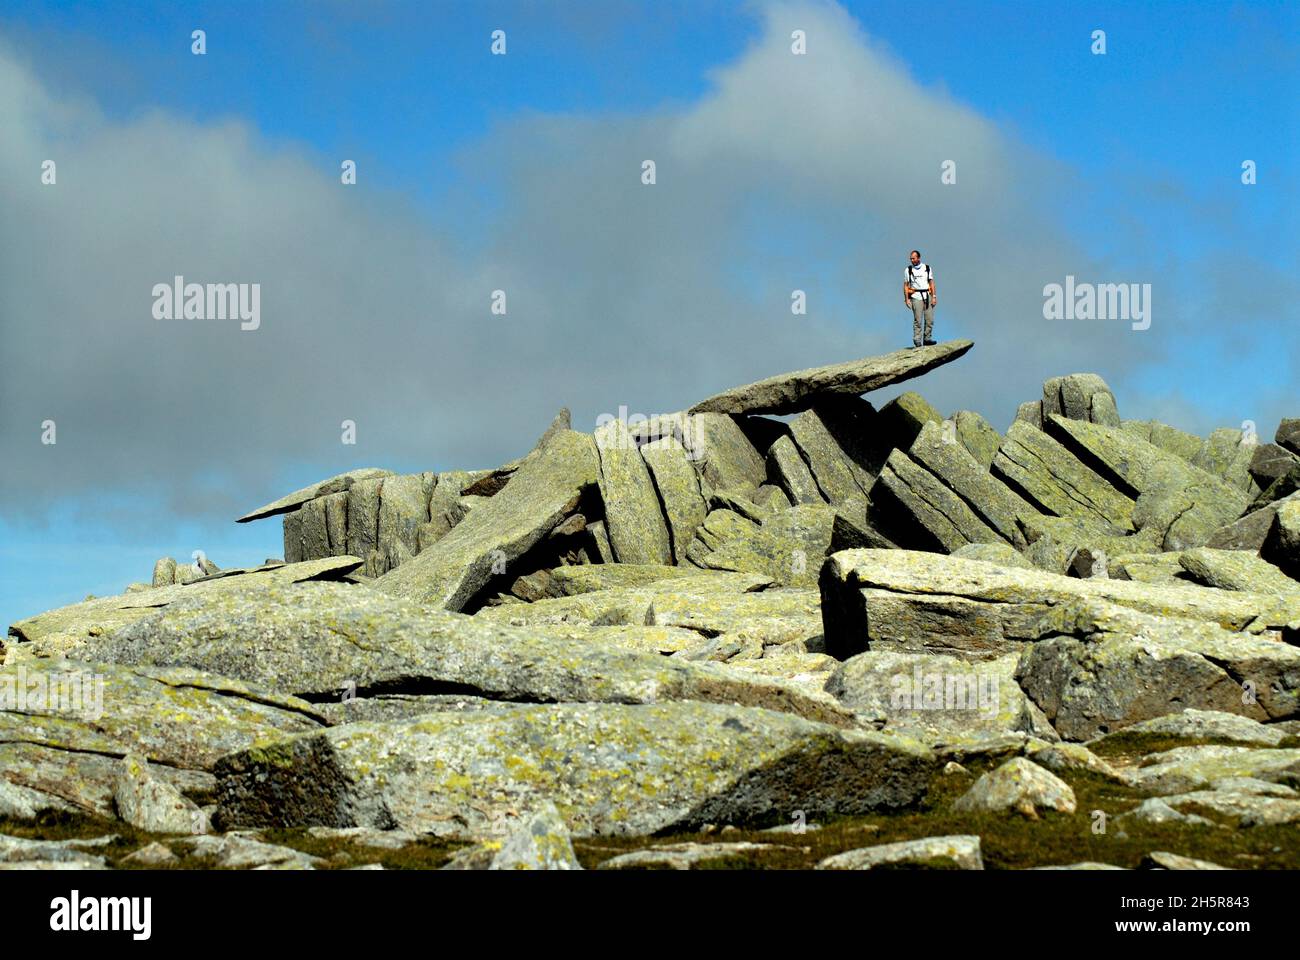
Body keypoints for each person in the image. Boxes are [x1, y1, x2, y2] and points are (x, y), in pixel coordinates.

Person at [903, 249, 937, 347]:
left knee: (929, 319)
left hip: (927, 295)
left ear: (918, 258)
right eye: (911, 259)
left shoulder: (927, 268)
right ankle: (917, 339)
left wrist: (934, 296)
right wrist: (907, 299)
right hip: (916, 296)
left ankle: (927, 338)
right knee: (918, 319)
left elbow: (931, 283)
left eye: (913, 258)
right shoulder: (908, 270)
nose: (912, 260)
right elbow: (905, 285)